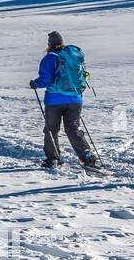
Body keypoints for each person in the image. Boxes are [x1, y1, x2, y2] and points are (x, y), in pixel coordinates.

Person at [30, 31, 98, 169]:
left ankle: (53, 159)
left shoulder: (50, 58)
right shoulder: (73, 57)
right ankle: (86, 155)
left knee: (51, 129)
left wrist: (35, 84)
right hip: (75, 99)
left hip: (54, 100)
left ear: (50, 44)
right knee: (73, 128)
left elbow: (46, 80)